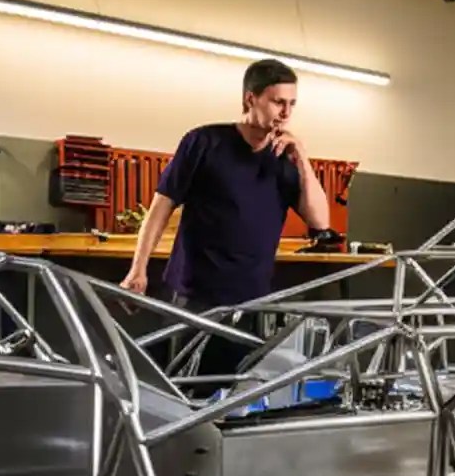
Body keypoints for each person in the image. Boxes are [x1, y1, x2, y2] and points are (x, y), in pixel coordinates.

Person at [120, 58, 332, 383]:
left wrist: (302, 158)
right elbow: (161, 207)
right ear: (250, 99)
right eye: (278, 102)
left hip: (251, 300)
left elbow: (320, 221)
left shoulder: (284, 159)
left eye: (292, 104)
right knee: (182, 387)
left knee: (231, 394)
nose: (286, 113)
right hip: (194, 296)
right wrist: (138, 269)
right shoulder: (203, 142)